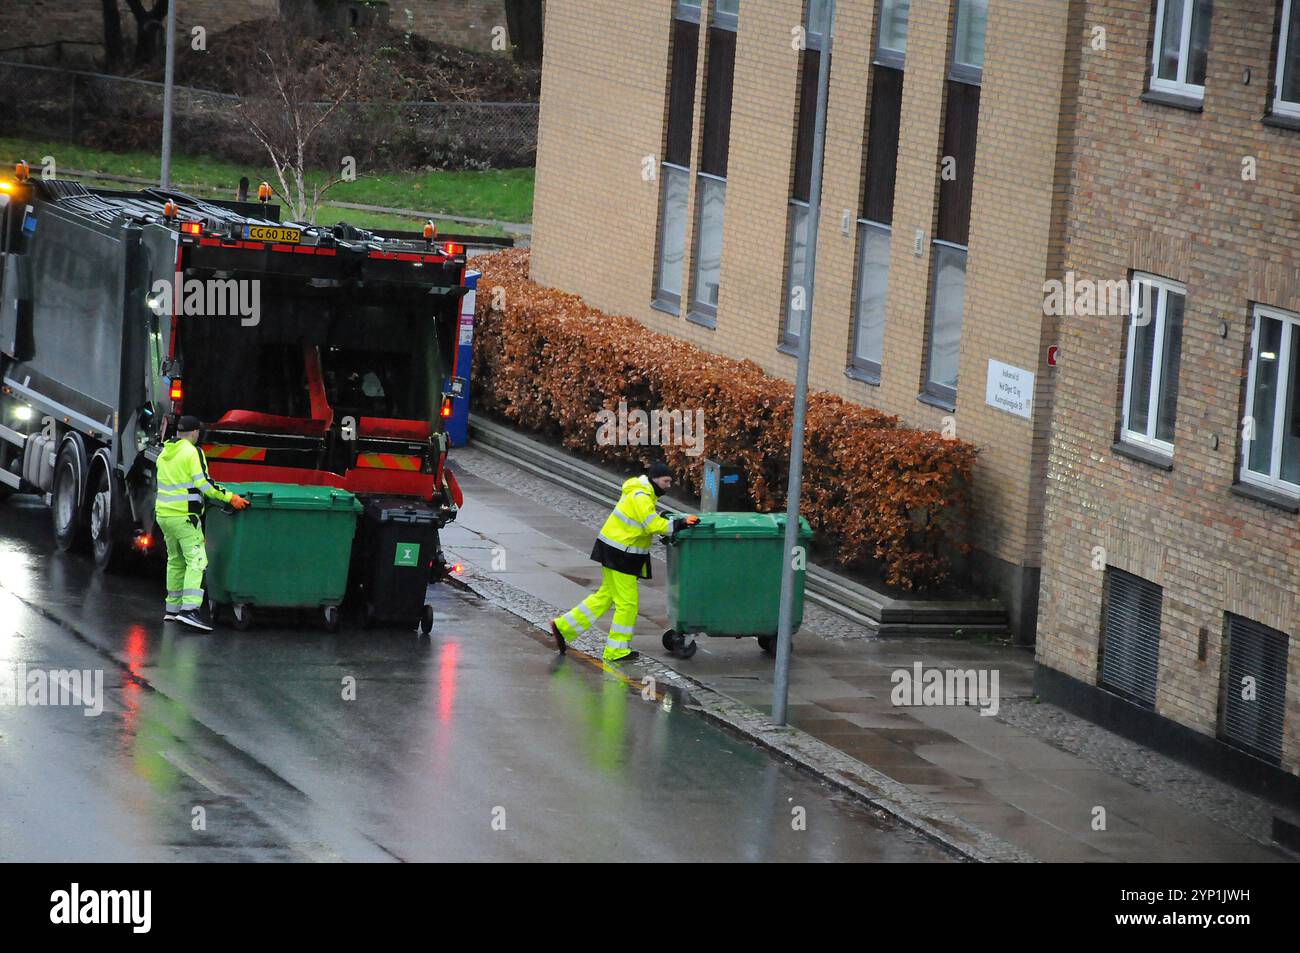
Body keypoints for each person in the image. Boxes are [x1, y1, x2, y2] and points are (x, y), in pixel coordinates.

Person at [551, 462, 698, 662]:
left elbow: (645, 522)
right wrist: (679, 523)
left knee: (605, 597)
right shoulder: (641, 497)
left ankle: (564, 626)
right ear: (655, 479)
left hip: (612, 549)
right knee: (627, 604)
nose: (668, 486)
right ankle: (616, 649)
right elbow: (652, 525)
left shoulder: (640, 492)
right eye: (666, 481)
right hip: (622, 554)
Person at [155, 415, 249, 631]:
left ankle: (173, 610)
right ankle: (190, 611)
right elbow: (203, 484)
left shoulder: (164, 453)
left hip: (164, 515)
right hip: (185, 517)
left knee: (176, 561)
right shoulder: (192, 452)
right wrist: (231, 498)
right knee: (197, 561)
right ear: (196, 432)